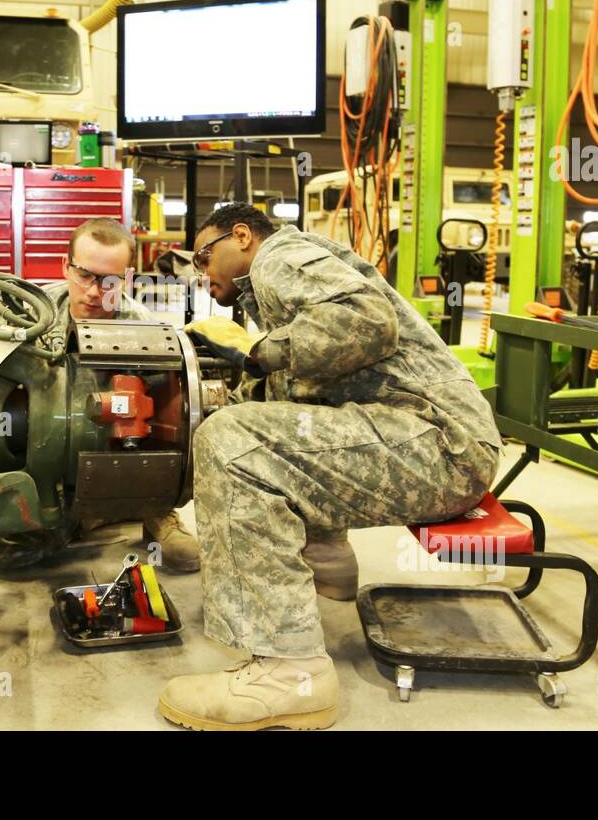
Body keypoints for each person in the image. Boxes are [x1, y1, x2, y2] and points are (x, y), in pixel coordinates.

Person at [159, 203, 503, 730]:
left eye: (206, 256)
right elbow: (310, 386)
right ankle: (329, 564)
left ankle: (288, 674)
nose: (204, 274)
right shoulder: (285, 272)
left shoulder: (278, 257)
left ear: (244, 236)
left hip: (439, 445)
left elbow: (366, 323)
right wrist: (255, 372)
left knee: (230, 442)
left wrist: (259, 350)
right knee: (273, 423)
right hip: (434, 441)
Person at [0, 217, 201, 573]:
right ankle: (86, 515)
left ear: (128, 278)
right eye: (84, 274)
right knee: (4, 556)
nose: (94, 291)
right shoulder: (30, 315)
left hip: (117, 454)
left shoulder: (144, 327)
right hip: (50, 459)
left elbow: (167, 421)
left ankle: (155, 511)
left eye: (110, 281)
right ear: (65, 267)